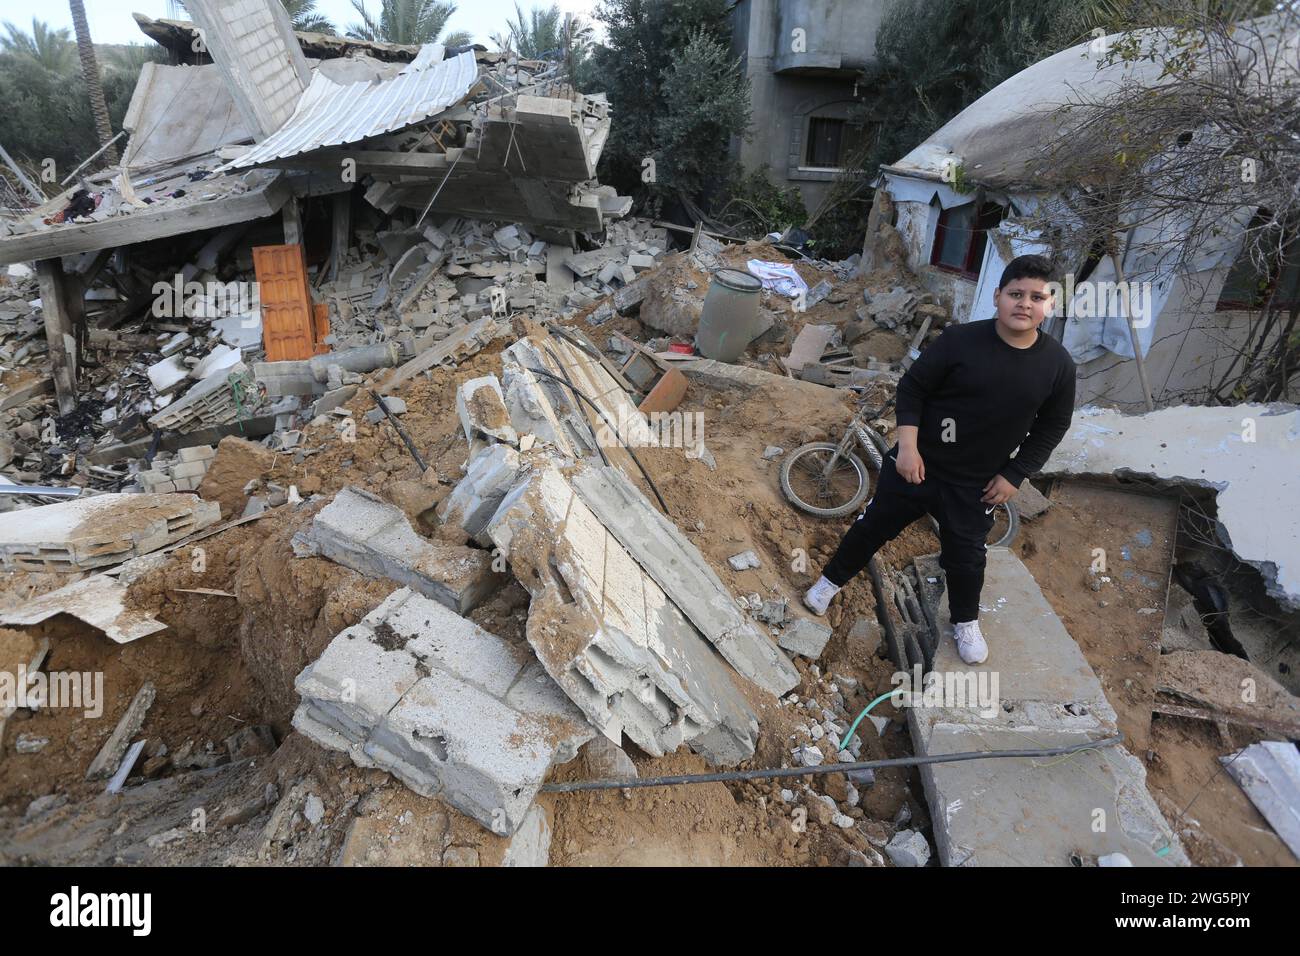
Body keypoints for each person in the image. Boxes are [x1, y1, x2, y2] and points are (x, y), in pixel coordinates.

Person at [802, 254, 1077, 665]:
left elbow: (1052, 427)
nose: (1024, 303)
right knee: (871, 528)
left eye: (1037, 297)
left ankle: (965, 623)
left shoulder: (1058, 365)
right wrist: (908, 448)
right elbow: (913, 389)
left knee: (967, 558)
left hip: (977, 483)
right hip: (919, 466)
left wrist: (1015, 473)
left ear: (1050, 305)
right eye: (1015, 293)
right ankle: (828, 583)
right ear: (997, 297)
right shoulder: (959, 341)